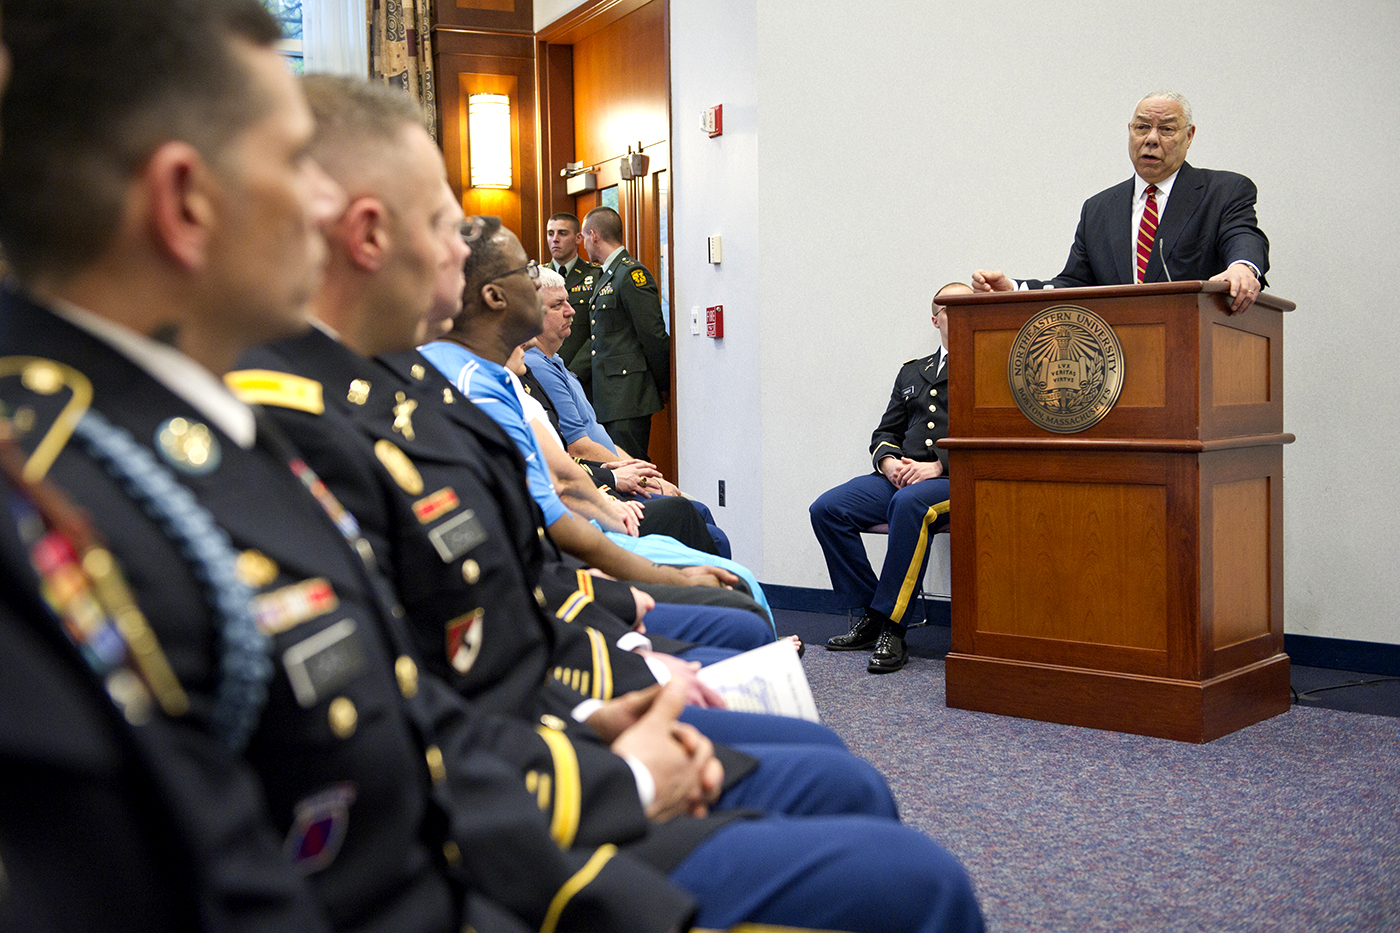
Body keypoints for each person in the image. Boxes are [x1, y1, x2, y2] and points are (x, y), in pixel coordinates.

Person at [229, 77, 983, 933]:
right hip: (506, 835)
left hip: (534, 742)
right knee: (907, 872)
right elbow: (390, 725)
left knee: (838, 780)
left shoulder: (394, 396)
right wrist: (611, 761)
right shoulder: (309, 423)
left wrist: (603, 698)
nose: (458, 251)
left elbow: (487, 617)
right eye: (444, 224)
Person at [0, 5, 689, 931]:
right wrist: (623, 788)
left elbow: (390, 716)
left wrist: (586, 756)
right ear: (185, 202)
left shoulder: (201, 418)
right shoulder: (63, 499)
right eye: (292, 163)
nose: (325, 208)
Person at [972, 90, 1269, 314]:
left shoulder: (1223, 191)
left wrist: (1243, 268)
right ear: (1130, 131)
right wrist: (1013, 289)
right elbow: (1074, 285)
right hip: (1119, 363)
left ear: (1189, 136)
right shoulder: (1099, 209)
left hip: (1196, 349)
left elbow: (1243, 236)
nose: (1151, 139)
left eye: (1166, 129)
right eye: (1142, 128)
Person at [812, 283, 970, 673]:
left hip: (957, 478)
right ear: (936, 320)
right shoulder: (912, 371)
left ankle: (893, 628)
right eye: (950, 308)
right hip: (901, 476)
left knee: (908, 504)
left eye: (970, 306)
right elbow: (885, 432)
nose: (962, 313)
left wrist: (939, 465)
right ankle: (872, 614)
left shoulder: (991, 367)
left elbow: (997, 435)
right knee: (828, 509)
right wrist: (889, 463)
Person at [523, 267, 732, 558]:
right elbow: (577, 447)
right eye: (558, 306)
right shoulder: (535, 367)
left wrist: (642, 471)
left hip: (609, 477)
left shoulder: (555, 362)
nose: (571, 311)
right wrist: (642, 480)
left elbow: (599, 436)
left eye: (568, 302)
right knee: (701, 524)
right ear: (530, 315)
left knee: (700, 517)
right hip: (598, 485)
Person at [579, 206, 669, 459]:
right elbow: (602, 336)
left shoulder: (630, 273)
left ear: (594, 235)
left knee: (634, 466)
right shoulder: (608, 273)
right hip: (610, 397)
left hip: (629, 395)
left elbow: (652, 334)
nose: (583, 244)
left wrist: (663, 384)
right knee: (618, 467)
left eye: (584, 237)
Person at [544, 211, 601, 393]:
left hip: (585, 378)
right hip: (545, 373)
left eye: (562, 233)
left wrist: (574, 372)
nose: (555, 239)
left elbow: (599, 330)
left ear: (578, 238)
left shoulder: (595, 275)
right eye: (550, 233)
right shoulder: (538, 277)